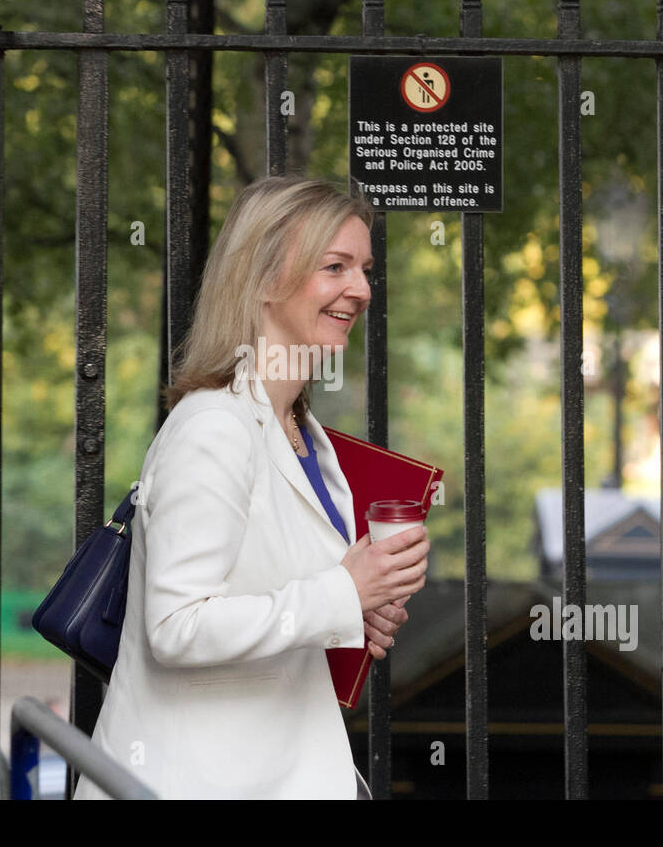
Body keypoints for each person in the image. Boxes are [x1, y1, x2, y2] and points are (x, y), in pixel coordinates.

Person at [72, 175, 429, 799]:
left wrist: (356, 610)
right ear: (264, 279)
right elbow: (178, 624)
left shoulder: (298, 431)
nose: (362, 289)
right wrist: (343, 591)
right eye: (335, 266)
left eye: (365, 268)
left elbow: (275, 592)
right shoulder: (215, 427)